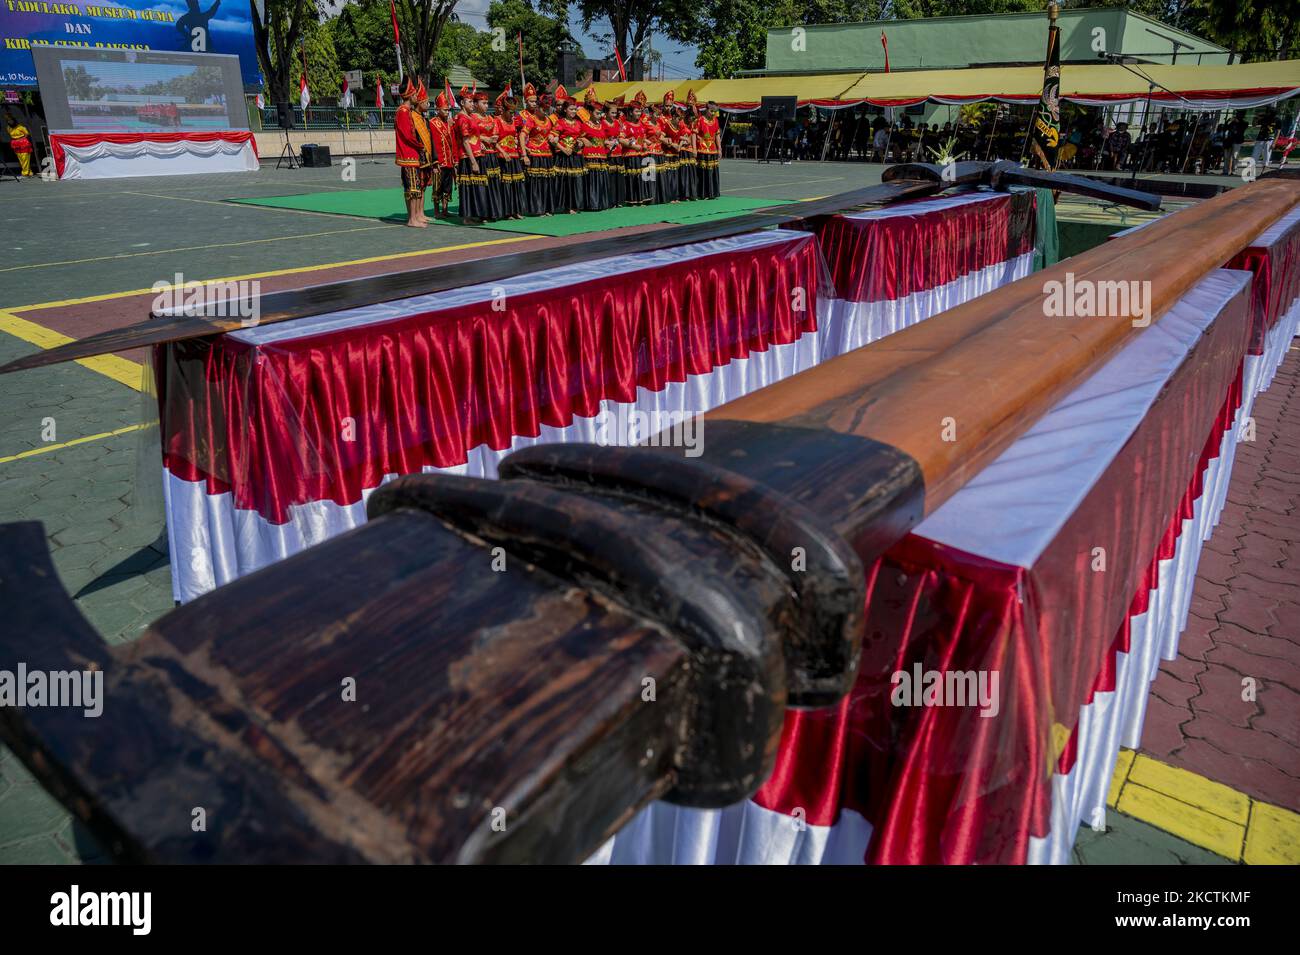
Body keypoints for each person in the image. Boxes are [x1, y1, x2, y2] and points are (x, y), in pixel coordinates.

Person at [394, 78, 430, 228]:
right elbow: (407, 135)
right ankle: (412, 219)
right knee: (413, 189)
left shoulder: (406, 111)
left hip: (412, 154)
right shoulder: (402, 111)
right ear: (409, 95)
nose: (417, 96)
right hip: (408, 155)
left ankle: (415, 217)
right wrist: (419, 145)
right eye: (414, 93)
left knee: (415, 188)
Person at [454, 85, 490, 223]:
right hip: (469, 157)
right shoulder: (462, 118)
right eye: (470, 102)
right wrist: (473, 161)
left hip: (476, 154)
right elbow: (464, 141)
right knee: (469, 187)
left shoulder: (469, 117)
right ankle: (467, 217)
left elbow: (473, 137)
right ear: (462, 103)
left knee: (477, 186)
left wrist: (480, 142)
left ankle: (476, 213)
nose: (472, 105)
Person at [520, 83, 556, 216]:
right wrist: (524, 154)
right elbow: (522, 135)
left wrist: (553, 137)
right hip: (534, 153)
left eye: (547, 110)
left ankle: (547, 208)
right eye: (543, 109)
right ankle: (537, 209)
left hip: (547, 154)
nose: (545, 112)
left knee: (547, 182)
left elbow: (553, 133)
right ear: (538, 108)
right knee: (536, 183)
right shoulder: (531, 119)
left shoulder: (548, 120)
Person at [550, 88, 585, 214]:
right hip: (564, 157)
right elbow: (552, 139)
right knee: (566, 182)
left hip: (576, 155)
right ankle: (567, 206)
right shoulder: (560, 122)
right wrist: (563, 149)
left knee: (576, 181)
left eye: (575, 109)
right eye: (571, 109)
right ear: (565, 110)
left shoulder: (578, 123)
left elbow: (583, 138)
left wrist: (580, 143)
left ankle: (576, 205)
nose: (574, 111)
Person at [494, 86, 527, 220]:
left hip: (514, 155)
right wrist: (503, 152)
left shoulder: (514, 121)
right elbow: (494, 141)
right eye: (510, 113)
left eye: (514, 113)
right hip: (503, 157)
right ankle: (507, 212)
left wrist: (521, 152)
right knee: (506, 186)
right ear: (504, 110)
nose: (513, 116)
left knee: (516, 184)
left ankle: (516, 210)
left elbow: (519, 136)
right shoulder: (497, 121)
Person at [579, 91, 612, 212]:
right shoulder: (585, 125)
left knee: (601, 180)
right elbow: (579, 137)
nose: (599, 115)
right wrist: (583, 139)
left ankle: (602, 203)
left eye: (600, 113)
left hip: (602, 157)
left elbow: (604, 138)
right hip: (590, 157)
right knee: (592, 181)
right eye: (597, 113)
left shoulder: (602, 125)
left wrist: (608, 143)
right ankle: (592, 204)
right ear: (591, 113)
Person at [621, 92, 651, 206]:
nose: (638, 113)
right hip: (631, 155)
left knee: (642, 177)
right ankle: (632, 200)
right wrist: (634, 146)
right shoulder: (625, 125)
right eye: (636, 111)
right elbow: (621, 139)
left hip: (642, 155)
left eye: (640, 111)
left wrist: (645, 143)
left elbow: (643, 138)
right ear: (630, 112)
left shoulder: (642, 124)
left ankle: (641, 199)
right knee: (632, 178)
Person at [694, 100, 721, 199]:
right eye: (711, 111)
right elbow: (694, 133)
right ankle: (703, 193)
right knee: (703, 173)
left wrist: (720, 149)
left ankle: (713, 193)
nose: (713, 113)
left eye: (714, 111)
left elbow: (717, 135)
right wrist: (695, 148)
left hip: (713, 149)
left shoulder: (715, 121)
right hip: (702, 149)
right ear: (706, 109)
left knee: (712, 172)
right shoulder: (700, 120)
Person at [603, 97, 625, 207]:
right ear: (606, 113)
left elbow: (621, 135)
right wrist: (608, 142)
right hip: (608, 153)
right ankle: (611, 201)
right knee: (610, 178)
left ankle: (619, 201)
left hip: (618, 152)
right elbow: (601, 138)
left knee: (619, 177)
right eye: (612, 112)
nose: (614, 115)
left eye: (615, 113)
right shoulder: (602, 123)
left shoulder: (618, 122)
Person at [5, 113, 34, 178]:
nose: (10, 122)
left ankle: (25, 173)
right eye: (9, 121)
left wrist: (22, 140)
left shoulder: (21, 127)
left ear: (14, 121)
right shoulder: (8, 128)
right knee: (20, 158)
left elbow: (27, 134)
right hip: (15, 143)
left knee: (25, 158)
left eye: (11, 121)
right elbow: (10, 134)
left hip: (23, 143)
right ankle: (29, 172)